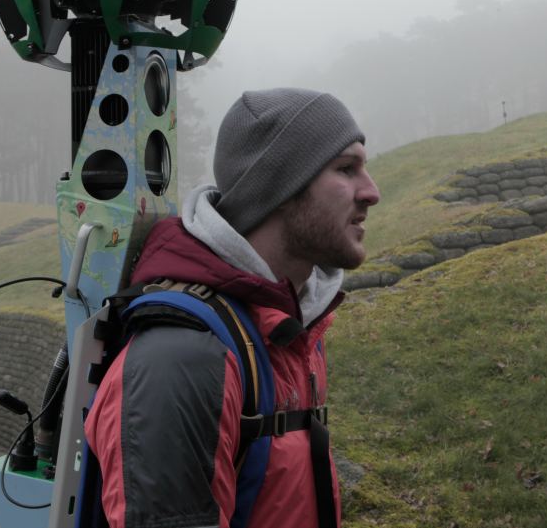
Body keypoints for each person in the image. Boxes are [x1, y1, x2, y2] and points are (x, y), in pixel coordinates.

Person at [84, 88, 381, 528]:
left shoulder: (290, 321)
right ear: (281, 185)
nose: (372, 192)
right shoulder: (183, 357)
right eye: (345, 168)